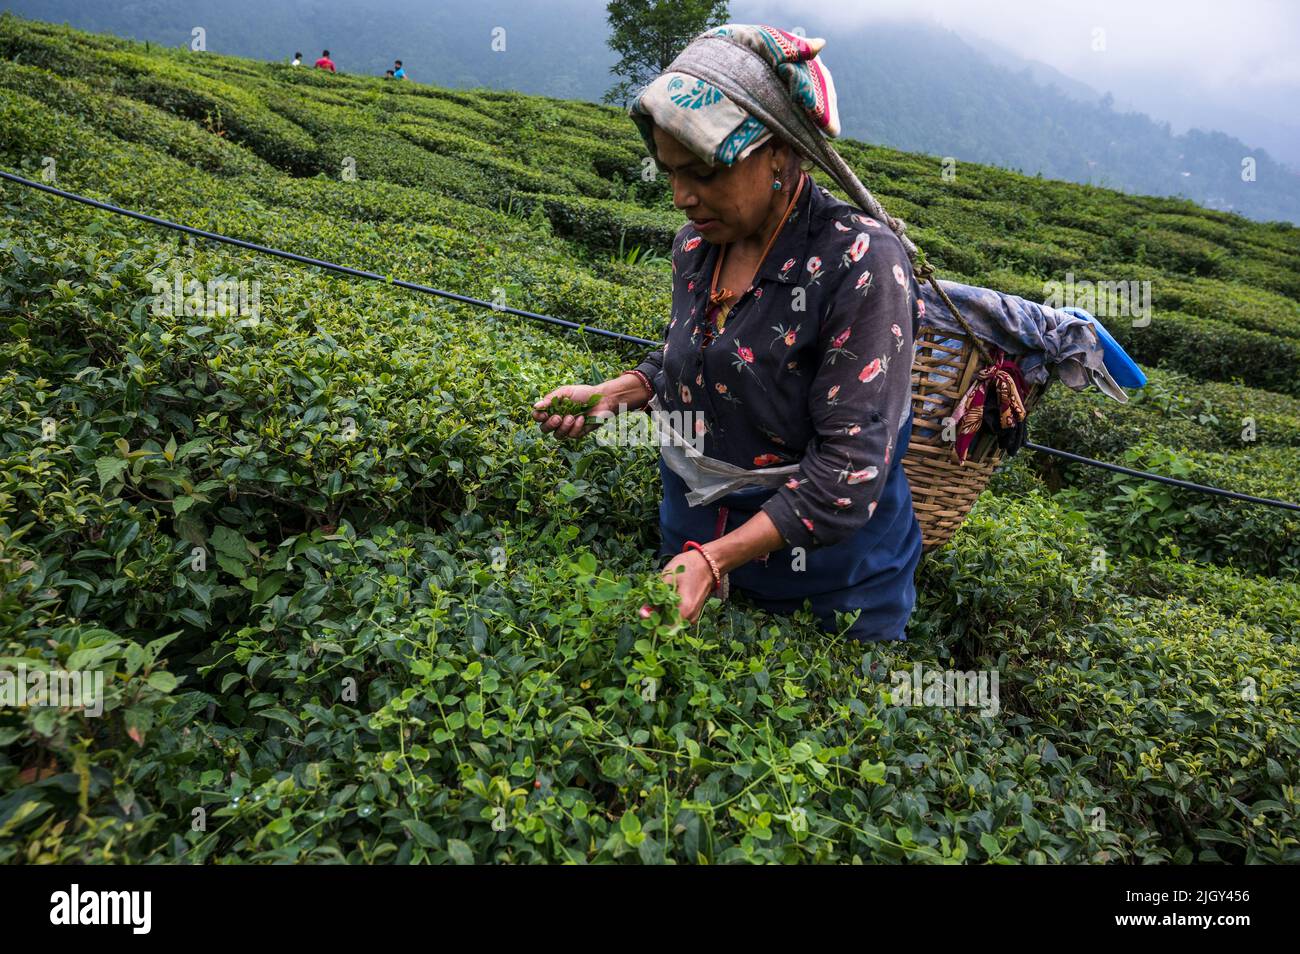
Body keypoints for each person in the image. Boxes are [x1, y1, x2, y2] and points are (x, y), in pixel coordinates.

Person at [533, 23, 925, 643]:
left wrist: (718, 559)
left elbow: (849, 471)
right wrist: (619, 391)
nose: (683, 196)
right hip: (691, 549)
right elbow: (700, 358)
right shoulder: (696, 244)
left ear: (778, 152)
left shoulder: (860, 262)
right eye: (670, 171)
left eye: (706, 173)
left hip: (825, 593)